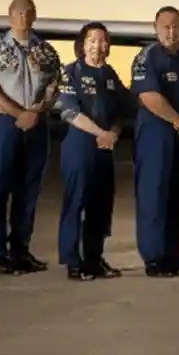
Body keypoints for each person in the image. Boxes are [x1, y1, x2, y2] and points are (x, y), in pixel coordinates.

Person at [0, 0, 61, 275]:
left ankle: (21, 250)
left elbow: (54, 87)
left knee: (28, 190)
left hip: (37, 124)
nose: (23, 17)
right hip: (4, 124)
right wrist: (17, 113)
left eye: (28, 12)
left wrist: (38, 110)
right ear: (10, 15)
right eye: (18, 12)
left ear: (35, 15)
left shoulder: (46, 51)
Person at [130, 6, 179, 278]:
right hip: (157, 135)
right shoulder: (148, 57)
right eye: (165, 26)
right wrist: (178, 120)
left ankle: (172, 254)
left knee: (178, 195)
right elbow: (149, 96)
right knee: (154, 195)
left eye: (176, 26)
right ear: (156, 28)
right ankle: (154, 259)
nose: (171, 32)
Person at [53, 22, 128, 281]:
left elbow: (122, 110)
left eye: (104, 40)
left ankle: (95, 259)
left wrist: (114, 133)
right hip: (80, 145)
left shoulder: (110, 75)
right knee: (77, 203)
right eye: (93, 40)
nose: (99, 45)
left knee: (101, 204)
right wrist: (101, 133)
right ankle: (73, 261)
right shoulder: (70, 72)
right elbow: (70, 112)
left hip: (105, 147)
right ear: (83, 44)